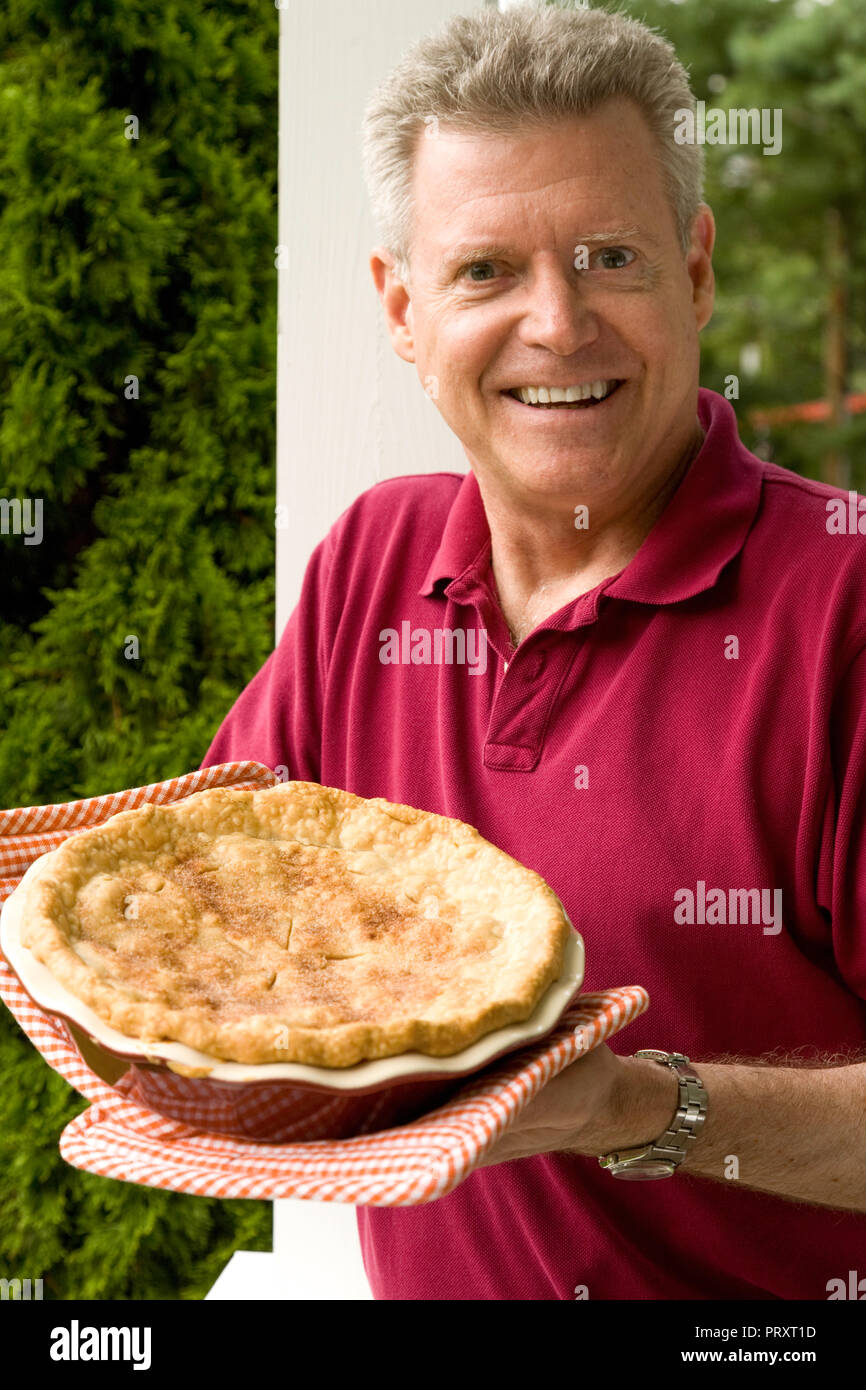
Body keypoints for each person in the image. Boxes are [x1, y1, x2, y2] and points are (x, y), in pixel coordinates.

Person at [201, 4, 866, 1299]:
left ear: (694, 270)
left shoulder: (842, 605)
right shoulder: (370, 565)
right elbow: (231, 910)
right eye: (485, 271)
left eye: (608, 256)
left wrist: (630, 1105)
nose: (556, 325)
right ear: (402, 307)